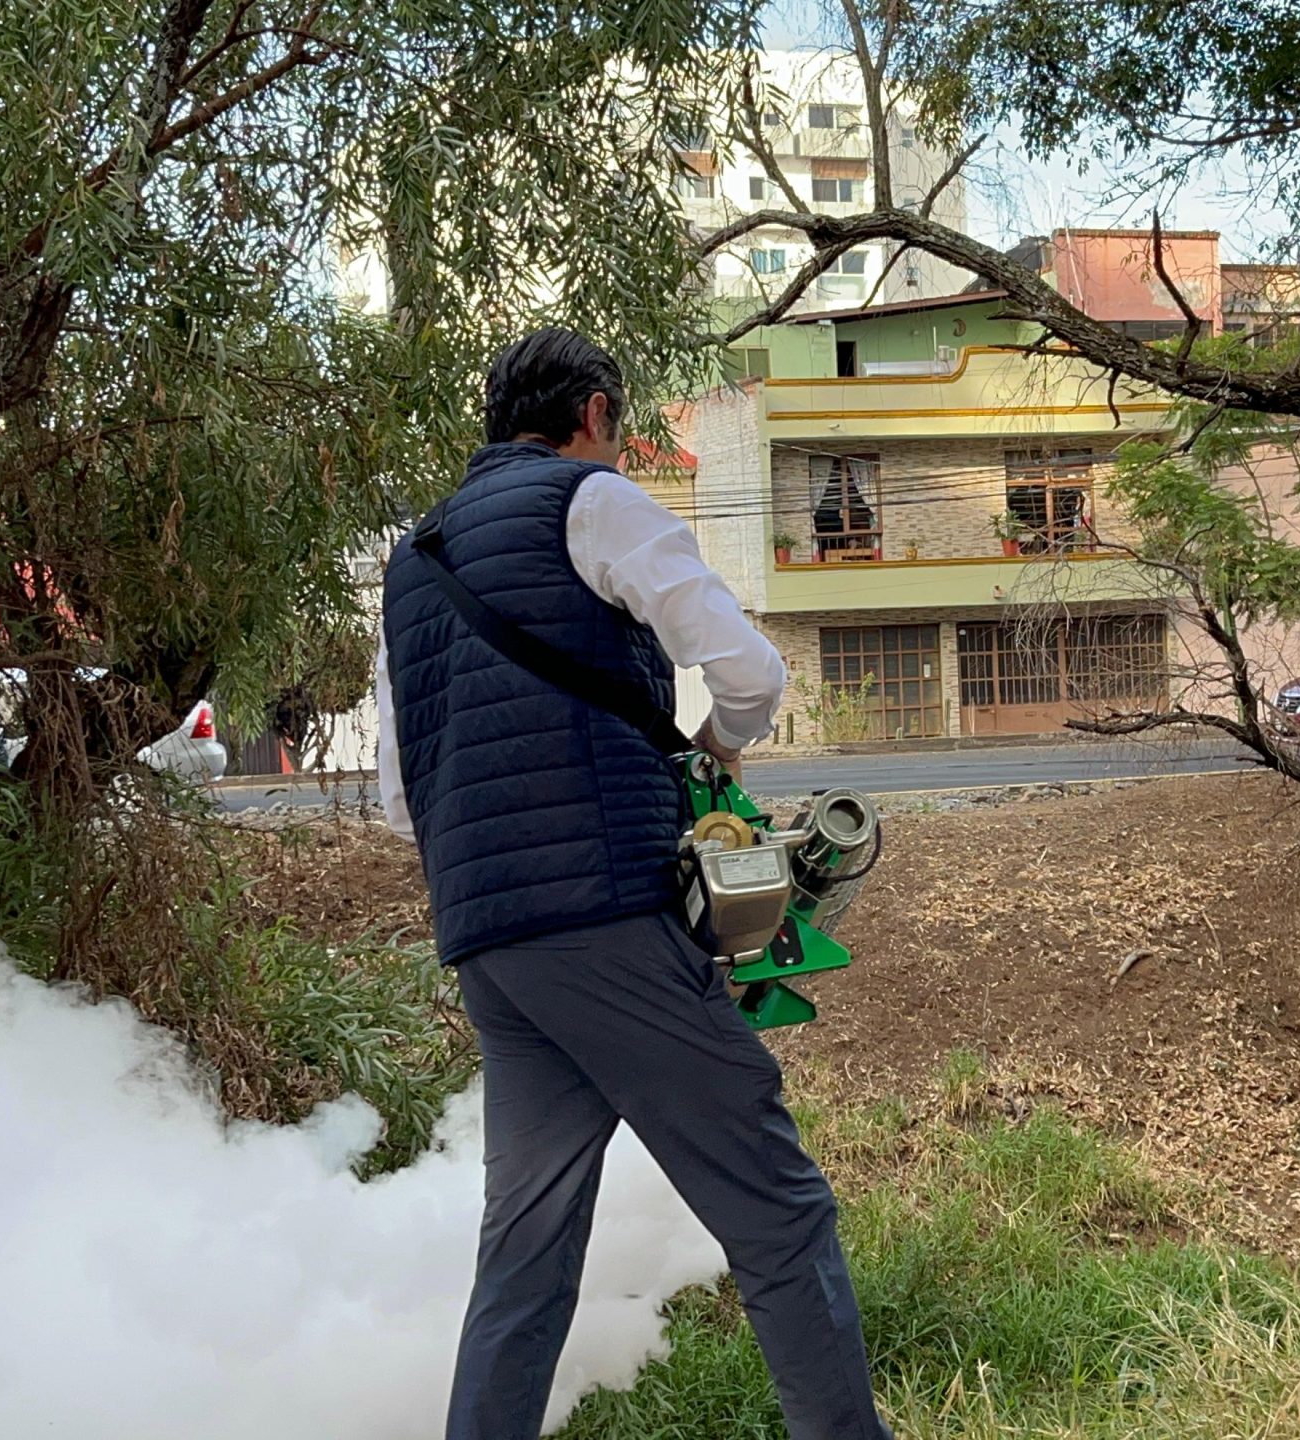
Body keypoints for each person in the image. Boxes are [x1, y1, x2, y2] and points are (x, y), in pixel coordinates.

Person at [371, 329, 893, 1440]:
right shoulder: (592, 503)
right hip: (604, 920)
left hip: (487, 941)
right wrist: (712, 751)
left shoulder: (409, 562)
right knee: (777, 1210)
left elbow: (395, 793)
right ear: (597, 414)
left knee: (525, 1253)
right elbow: (751, 671)